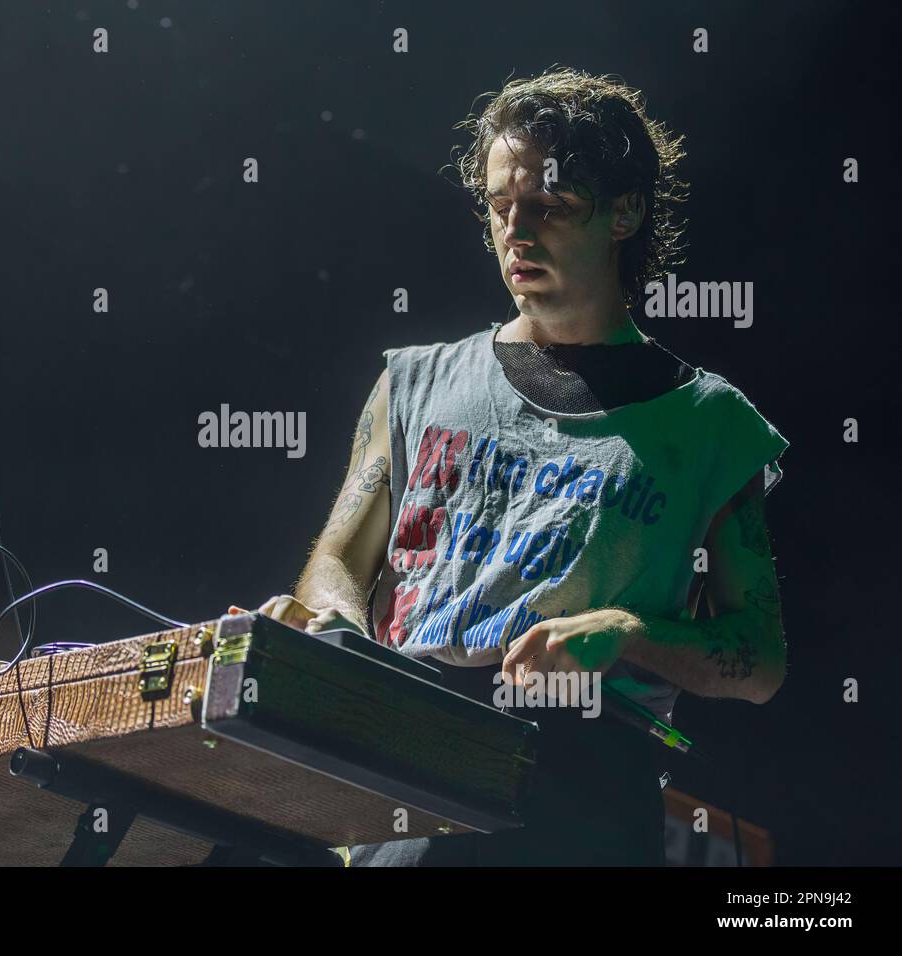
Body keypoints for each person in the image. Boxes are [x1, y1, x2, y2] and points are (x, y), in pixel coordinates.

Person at [242, 67, 789, 866]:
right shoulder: (413, 381)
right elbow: (337, 559)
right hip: (403, 762)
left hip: (581, 792)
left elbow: (761, 661)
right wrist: (337, 630)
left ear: (626, 211)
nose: (517, 233)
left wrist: (626, 632)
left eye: (552, 208)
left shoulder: (709, 423)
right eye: (502, 207)